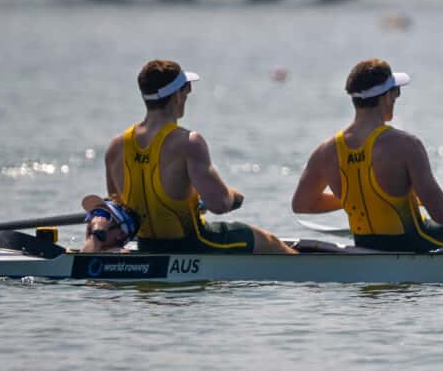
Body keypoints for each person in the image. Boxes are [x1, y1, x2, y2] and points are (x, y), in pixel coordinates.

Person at [292, 59, 443, 253]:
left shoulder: (325, 152)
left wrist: (354, 198)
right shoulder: (407, 145)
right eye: (397, 92)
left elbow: (302, 204)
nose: (396, 98)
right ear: (386, 97)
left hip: (366, 245)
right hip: (415, 241)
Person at [102, 60, 297, 254]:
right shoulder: (188, 142)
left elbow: (119, 210)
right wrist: (234, 198)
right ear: (177, 95)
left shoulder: (116, 147)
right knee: (269, 241)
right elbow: (219, 204)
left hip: (147, 247)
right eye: (187, 88)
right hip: (195, 244)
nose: (188, 93)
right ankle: (309, 278)